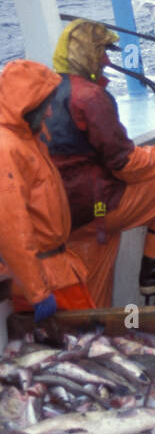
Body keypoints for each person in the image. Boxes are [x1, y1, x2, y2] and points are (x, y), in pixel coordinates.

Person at [45, 19, 155, 307]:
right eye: (101, 51)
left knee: (93, 294)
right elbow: (124, 163)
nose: (107, 60)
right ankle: (153, 272)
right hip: (98, 207)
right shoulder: (90, 97)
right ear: (85, 52)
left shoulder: (43, 93)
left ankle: (89, 337)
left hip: (62, 217)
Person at [0, 58, 94, 320]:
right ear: (26, 106)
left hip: (60, 272)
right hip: (47, 280)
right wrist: (37, 292)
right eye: (44, 105)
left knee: (93, 342)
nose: (51, 113)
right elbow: (11, 229)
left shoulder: (28, 138)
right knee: (92, 341)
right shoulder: (6, 149)